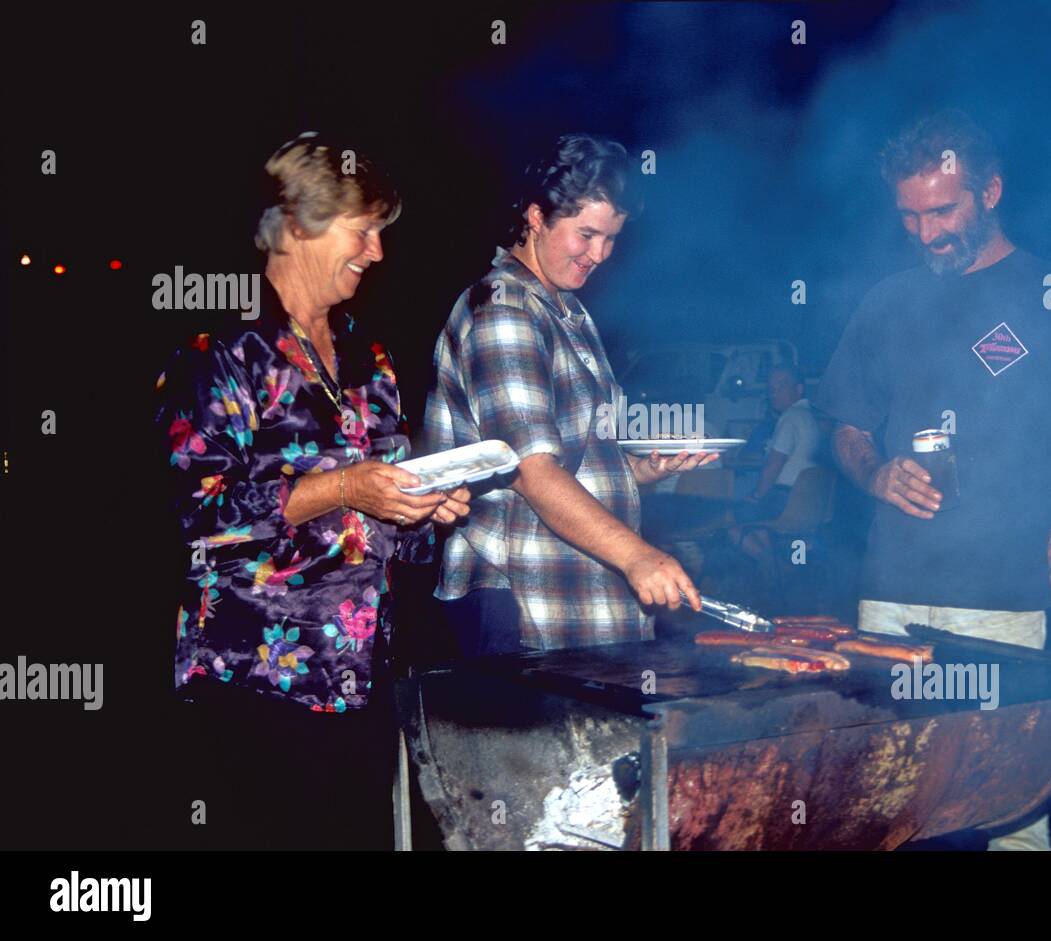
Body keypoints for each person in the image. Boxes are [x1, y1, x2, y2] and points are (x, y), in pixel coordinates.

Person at [815, 110, 1051, 851]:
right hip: (888, 603)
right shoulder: (887, 301)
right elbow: (845, 427)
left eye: (942, 210)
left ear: (990, 191)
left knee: (1009, 817)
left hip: (1005, 606)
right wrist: (874, 471)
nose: (926, 233)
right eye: (910, 216)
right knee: (884, 810)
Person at [156, 132, 471, 849]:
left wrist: (428, 504)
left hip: (362, 672)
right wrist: (346, 486)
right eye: (363, 232)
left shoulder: (369, 351)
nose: (378, 252)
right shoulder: (224, 349)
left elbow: (391, 529)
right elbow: (199, 511)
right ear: (296, 224)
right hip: (257, 677)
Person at [424, 134, 716, 655]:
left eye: (611, 239)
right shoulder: (503, 309)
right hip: (521, 600)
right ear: (536, 217)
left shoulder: (568, 314)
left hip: (581, 598)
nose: (599, 254)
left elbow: (582, 460)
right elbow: (532, 472)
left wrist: (645, 468)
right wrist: (638, 556)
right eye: (586, 235)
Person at [729, 363, 824, 579]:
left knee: (730, 519)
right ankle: (783, 569)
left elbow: (774, 465)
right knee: (760, 522)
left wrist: (757, 495)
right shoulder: (813, 417)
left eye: (781, 386)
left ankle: (778, 567)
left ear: (799, 389)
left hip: (786, 499)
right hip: (812, 502)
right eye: (771, 388)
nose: (774, 392)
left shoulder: (791, 417)